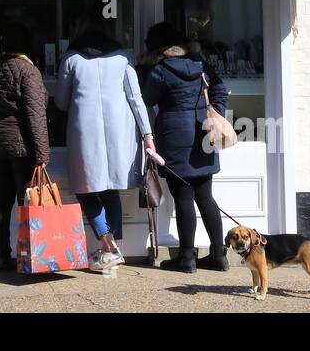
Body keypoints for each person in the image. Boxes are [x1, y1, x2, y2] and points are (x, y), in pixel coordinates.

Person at [54, 23, 159, 271]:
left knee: (86, 189)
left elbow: (60, 100)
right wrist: (147, 134)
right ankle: (114, 247)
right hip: (118, 131)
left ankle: (108, 245)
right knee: (111, 189)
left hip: (84, 130)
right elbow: (135, 98)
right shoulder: (122, 58)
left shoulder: (72, 59)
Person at [141, 22, 231, 273]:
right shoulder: (201, 65)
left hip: (174, 136)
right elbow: (220, 90)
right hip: (204, 133)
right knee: (205, 196)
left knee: (183, 198)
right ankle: (218, 255)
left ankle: (187, 258)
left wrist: (143, 67)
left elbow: (147, 99)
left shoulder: (160, 70)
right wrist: (214, 114)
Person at [0, 22, 51, 271]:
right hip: (21, 143)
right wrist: (43, 153)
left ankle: (2, 255)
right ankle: (29, 255)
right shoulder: (28, 71)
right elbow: (36, 114)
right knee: (27, 200)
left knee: (2, 199)